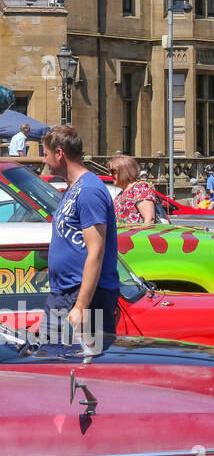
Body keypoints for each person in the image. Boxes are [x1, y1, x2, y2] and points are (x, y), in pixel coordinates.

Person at [42, 125, 118, 349]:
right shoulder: (73, 188)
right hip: (63, 293)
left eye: (45, 154)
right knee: (49, 363)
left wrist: (81, 306)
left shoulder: (89, 190)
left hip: (83, 296)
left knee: (84, 369)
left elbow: (96, 250)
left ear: (59, 153)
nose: (44, 160)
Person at [107, 154, 157, 225]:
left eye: (113, 171)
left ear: (125, 171)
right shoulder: (121, 193)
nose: (110, 174)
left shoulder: (140, 188)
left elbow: (149, 220)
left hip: (137, 235)